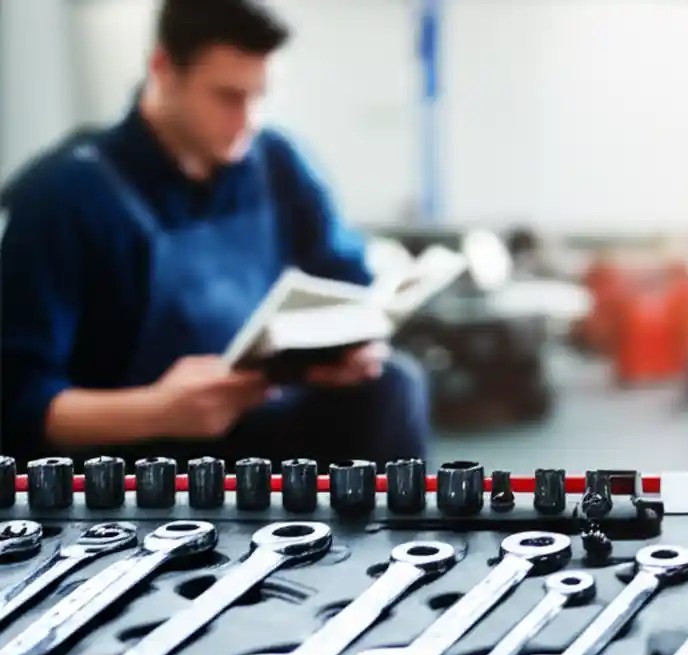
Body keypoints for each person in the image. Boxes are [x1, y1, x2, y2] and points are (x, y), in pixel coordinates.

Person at [1, 0, 428, 467]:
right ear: (162, 68)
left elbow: (347, 281)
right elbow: (18, 403)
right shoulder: (63, 197)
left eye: (260, 97)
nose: (248, 121)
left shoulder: (276, 161)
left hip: (264, 422)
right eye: (228, 97)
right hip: (138, 461)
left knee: (392, 385)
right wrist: (156, 412)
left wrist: (351, 349)